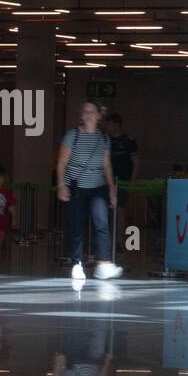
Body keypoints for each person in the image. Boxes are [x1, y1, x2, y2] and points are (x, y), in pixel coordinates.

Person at [56, 100, 123, 281]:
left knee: (102, 223)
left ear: (99, 115)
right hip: (76, 187)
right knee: (76, 226)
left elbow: (107, 165)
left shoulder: (103, 138)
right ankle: (77, 263)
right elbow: (61, 162)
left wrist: (111, 190)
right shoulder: (73, 136)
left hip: (97, 188)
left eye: (91, 111)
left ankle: (103, 264)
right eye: (84, 111)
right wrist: (61, 184)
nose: (87, 114)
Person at [104, 112, 138, 208]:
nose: (107, 127)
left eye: (109, 124)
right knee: (105, 210)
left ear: (117, 125)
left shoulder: (129, 140)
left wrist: (132, 182)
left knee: (119, 210)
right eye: (106, 124)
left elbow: (136, 163)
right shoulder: (105, 140)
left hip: (124, 182)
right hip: (107, 181)